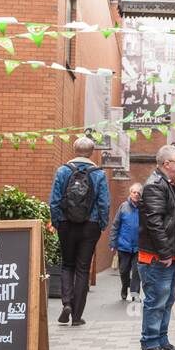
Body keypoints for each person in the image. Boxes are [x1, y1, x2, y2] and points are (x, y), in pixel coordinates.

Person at [138, 144, 175, 350]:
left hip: (168, 256)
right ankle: (150, 344)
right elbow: (154, 224)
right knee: (156, 300)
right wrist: (164, 253)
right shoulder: (154, 186)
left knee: (166, 299)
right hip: (157, 258)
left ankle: (161, 340)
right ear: (166, 164)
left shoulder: (167, 185)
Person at [49, 137, 109, 326]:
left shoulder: (63, 171)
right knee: (83, 269)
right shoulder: (98, 174)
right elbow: (104, 203)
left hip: (66, 224)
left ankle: (66, 302)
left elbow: (54, 201)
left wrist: (58, 222)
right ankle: (76, 316)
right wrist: (101, 224)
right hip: (90, 225)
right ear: (91, 153)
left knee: (67, 265)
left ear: (74, 150)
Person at [109, 182, 144, 302]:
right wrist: (113, 243)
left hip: (139, 247)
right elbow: (115, 225)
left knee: (136, 271)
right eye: (134, 192)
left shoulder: (143, 208)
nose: (136, 194)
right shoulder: (123, 206)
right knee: (123, 270)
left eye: (138, 193)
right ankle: (125, 286)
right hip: (124, 246)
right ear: (130, 193)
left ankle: (135, 294)